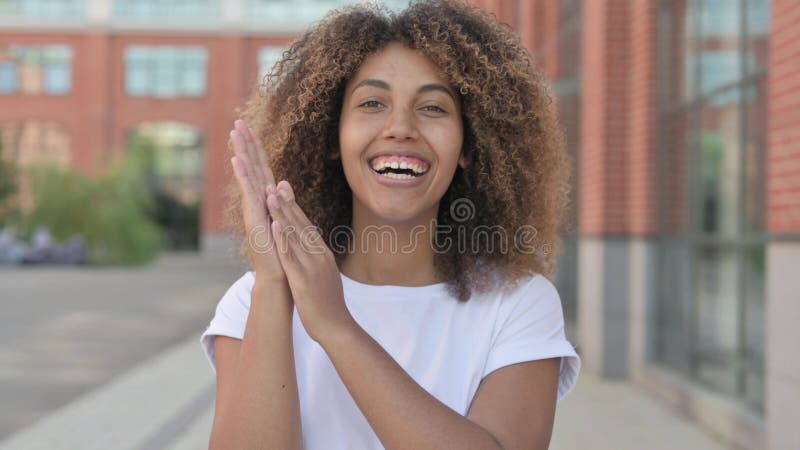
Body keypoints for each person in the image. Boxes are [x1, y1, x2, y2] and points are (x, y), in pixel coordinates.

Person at [200, 1, 581, 448]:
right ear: (331, 138)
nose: (400, 127)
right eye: (372, 103)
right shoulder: (254, 300)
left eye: (434, 108)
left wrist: (336, 326)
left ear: (469, 146)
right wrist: (273, 284)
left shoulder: (517, 304)